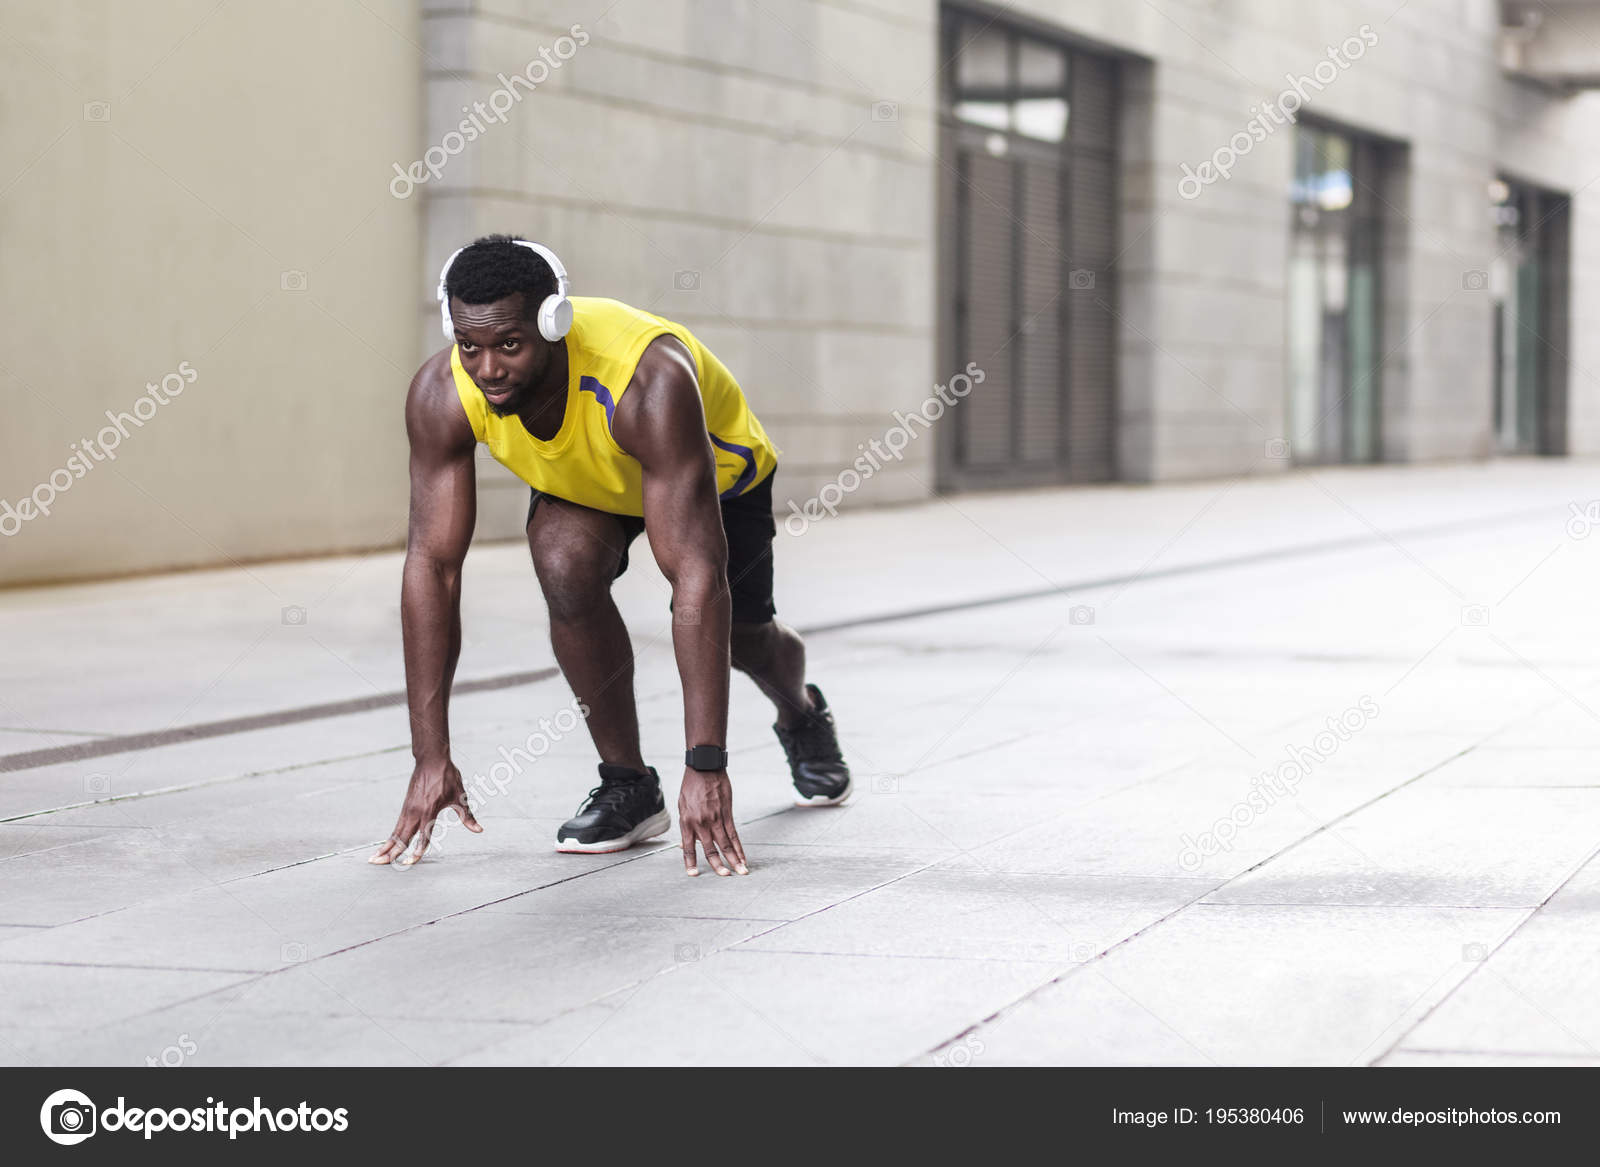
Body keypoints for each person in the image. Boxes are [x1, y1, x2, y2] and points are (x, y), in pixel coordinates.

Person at [368, 235, 851, 878]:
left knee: (742, 639)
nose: (488, 369)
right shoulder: (444, 392)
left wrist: (706, 765)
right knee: (564, 566)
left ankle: (801, 711)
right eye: (470, 346)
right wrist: (430, 755)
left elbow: (695, 575)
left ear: (553, 324)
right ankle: (629, 784)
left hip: (713, 474)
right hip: (590, 481)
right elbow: (432, 564)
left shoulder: (646, 380)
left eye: (509, 345)